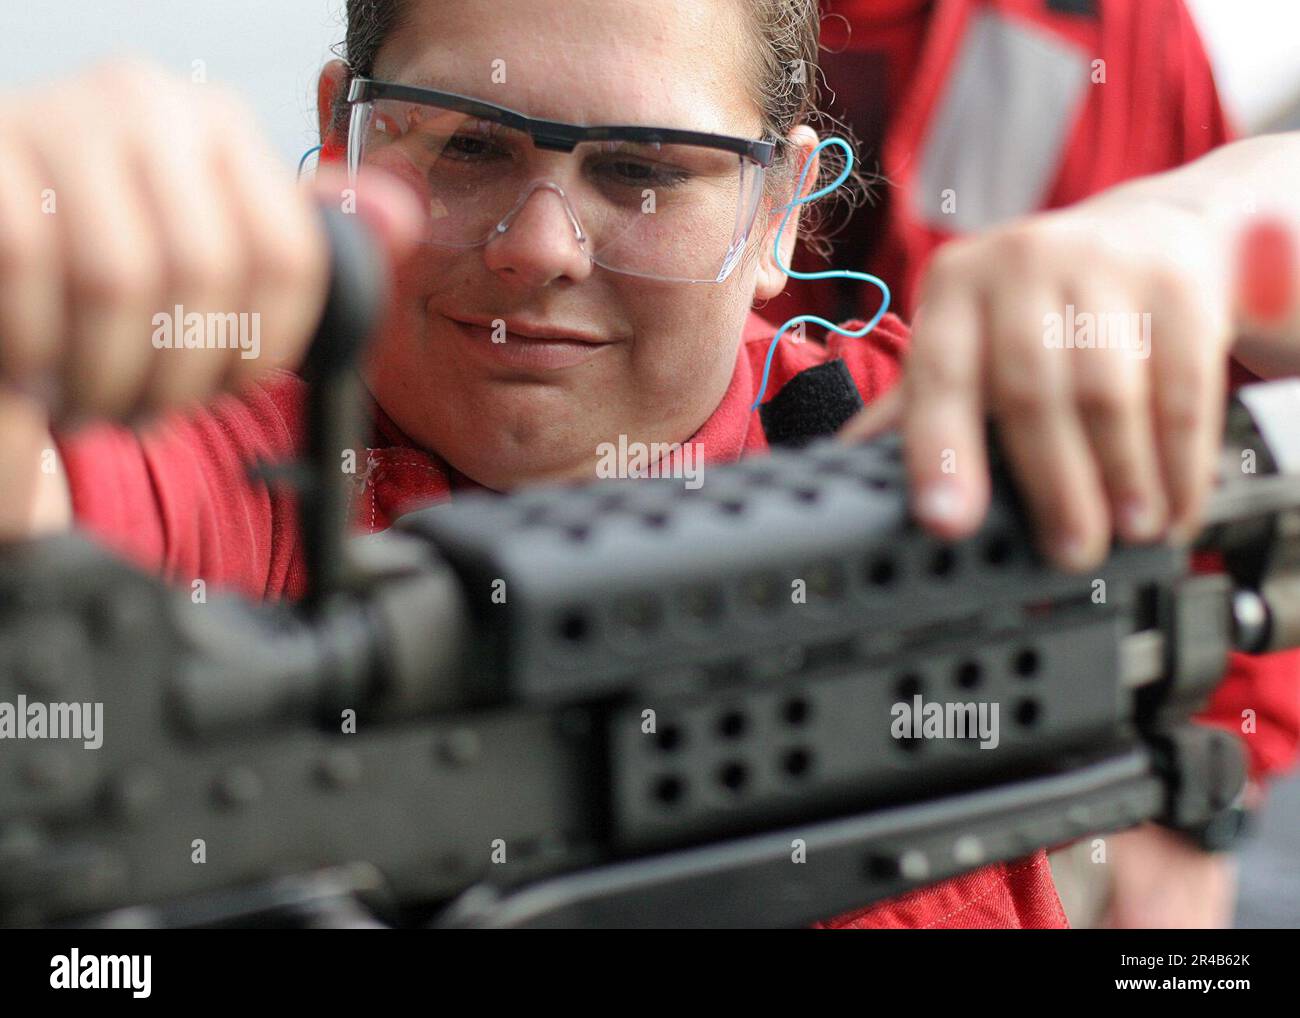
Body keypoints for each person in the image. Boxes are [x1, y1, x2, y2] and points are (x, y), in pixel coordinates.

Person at [0, 0, 1297, 928]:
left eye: (644, 171)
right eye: (465, 142)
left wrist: (1181, 236)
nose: (540, 245)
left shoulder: (903, 433)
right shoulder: (248, 468)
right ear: (345, 131)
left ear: (784, 206)